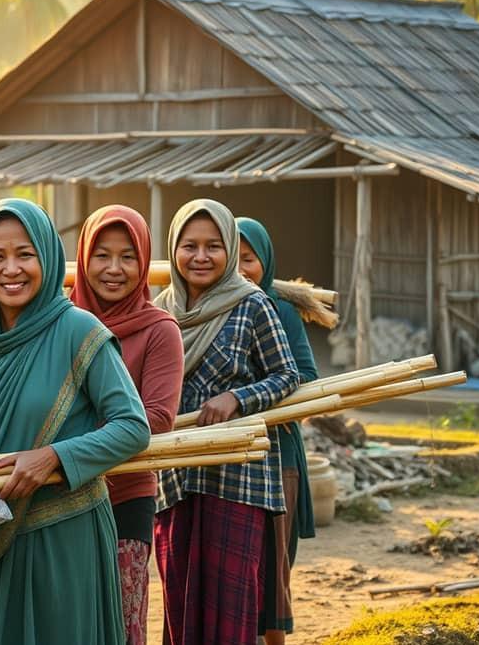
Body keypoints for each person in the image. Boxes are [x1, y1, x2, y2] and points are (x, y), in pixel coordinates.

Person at [0, 198, 150, 645]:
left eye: (25, 254)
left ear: (48, 258)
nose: (11, 269)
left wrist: (53, 457)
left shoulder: (80, 331)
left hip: (63, 538)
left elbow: (132, 426)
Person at [152, 199, 301, 645]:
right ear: (173, 250)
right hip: (175, 475)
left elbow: (287, 376)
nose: (201, 257)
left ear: (230, 251)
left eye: (213, 246)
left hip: (237, 475)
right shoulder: (161, 311)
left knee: (230, 608)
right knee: (179, 598)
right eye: (189, 246)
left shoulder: (252, 305)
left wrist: (237, 398)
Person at [70, 205, 183, 645]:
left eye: (128, 257)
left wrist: (63, 446)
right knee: (66, 623)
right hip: (56, 497)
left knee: (119, 621)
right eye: (101, 255)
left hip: (125, 496)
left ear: (144, 261)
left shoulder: (159, 330)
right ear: (83, 258)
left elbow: (157, 418)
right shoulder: (59, 321)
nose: (114, 269)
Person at [237, 216, 318, 645]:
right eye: (231, 257)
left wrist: (243, 397)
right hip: (225, 457)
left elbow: (305, 376)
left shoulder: (280, 310)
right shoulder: (208, 310)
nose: (239, 269)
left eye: (248, 259)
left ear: (265, 262)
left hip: (276, 454)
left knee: (273, 572)